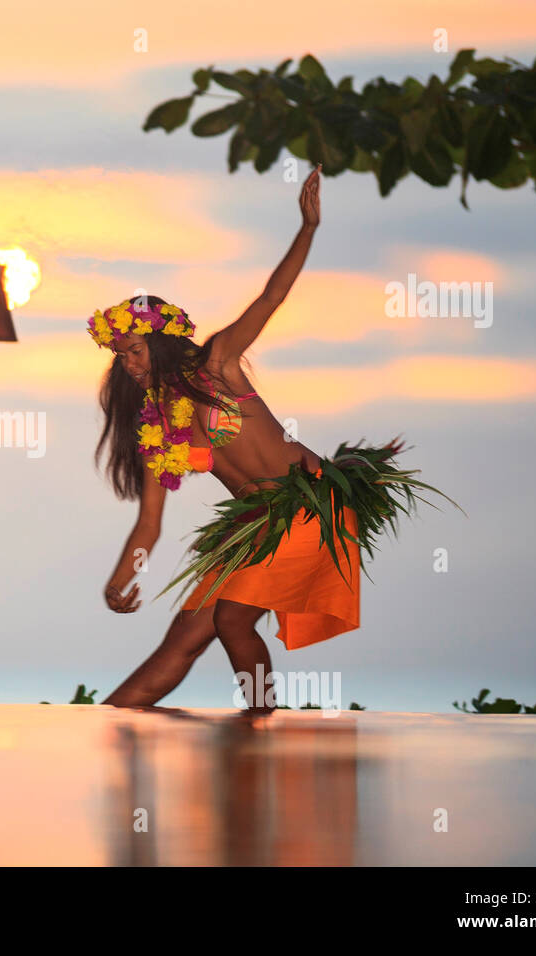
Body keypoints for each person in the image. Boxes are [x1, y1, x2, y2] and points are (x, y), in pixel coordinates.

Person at [90, 167, 458, 711]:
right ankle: (110, 721)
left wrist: (306, 227)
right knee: (185, 637)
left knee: (232, 617)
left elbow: (272, 296)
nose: (128, 364)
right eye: (120, 356)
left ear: (164, 343)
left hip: (310, 503)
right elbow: (149, 521)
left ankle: (263, 720)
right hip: (254, 525)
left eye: (135, 351)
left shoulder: (218, 365)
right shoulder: (158, 430)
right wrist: (119, 581)